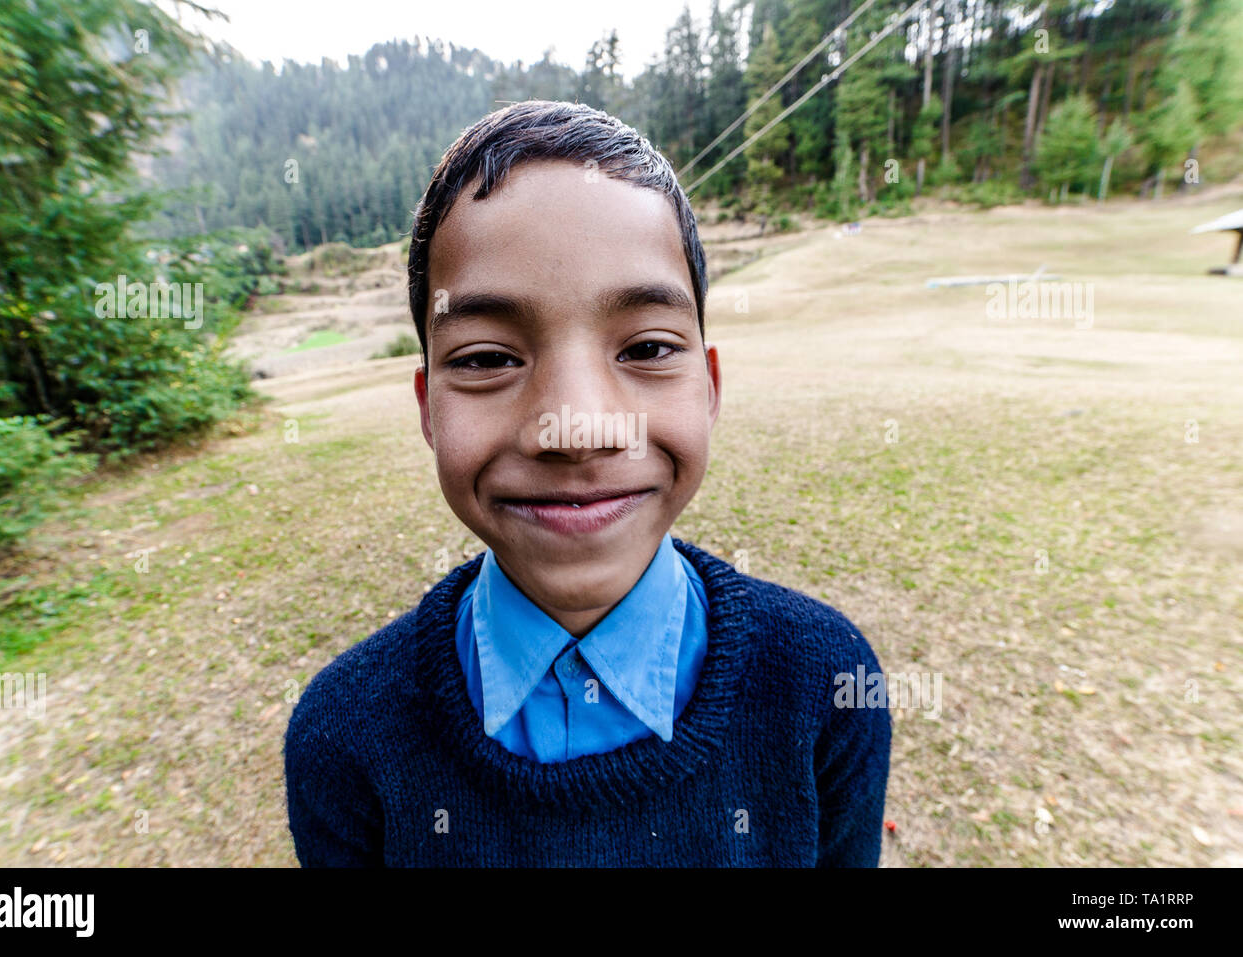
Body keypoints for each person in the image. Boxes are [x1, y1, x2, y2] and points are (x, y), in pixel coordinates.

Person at [284, 100, 891, 866]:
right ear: (428, 407)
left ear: (708, 388)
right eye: (485, 358)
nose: (574, 427)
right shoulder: (343, 737)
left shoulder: (827, 686)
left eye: (644, 346)